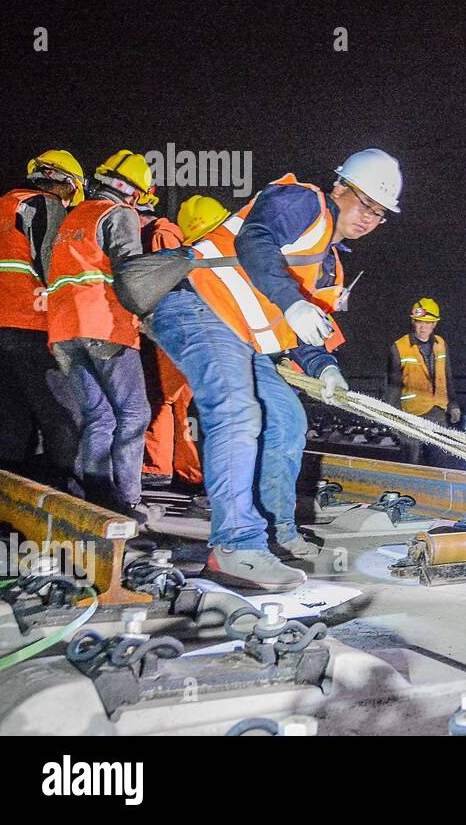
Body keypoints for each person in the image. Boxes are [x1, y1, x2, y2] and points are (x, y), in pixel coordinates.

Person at [149, 149, 402, 589]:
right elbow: (255, 240)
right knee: (236, 411)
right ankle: (237, 547)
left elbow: (303, 329)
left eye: (379, 214)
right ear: (339, 187)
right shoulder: (303, 201)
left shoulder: (331, 265)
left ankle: (277, 534)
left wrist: (324, 366)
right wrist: (293, 303)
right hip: (196, 304)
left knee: (287, 420)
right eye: (364, 204)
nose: (369, 219)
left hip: (242, 336)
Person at [47, 150, 154, 516]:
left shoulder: (72, 217)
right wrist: (148, 314)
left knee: (100, 417)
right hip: (104, 327)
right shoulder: (119, 214)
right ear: (133, 192)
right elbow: (131, 273)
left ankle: (94, 496)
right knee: (134, 413)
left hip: (63, 332)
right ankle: (127, 501)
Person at [0, 151, 84, 493]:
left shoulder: (1, 205)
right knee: (63, 417)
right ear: (69, 186)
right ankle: (70, 501)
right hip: (32, 325)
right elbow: (53, 266)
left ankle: (5, 499)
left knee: (9, 421)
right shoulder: (47, 205)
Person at [136, 197, 202, 489]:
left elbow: (166, 285)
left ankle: (168, 468)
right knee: (174, 400)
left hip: (171, 330)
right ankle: (180, 469)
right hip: (174, 329)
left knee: (169, 398)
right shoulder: (160, 234)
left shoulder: (161, 235)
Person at [387, 295, 461, 464]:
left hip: (438, 412)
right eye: (419, 322)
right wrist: (392, 418)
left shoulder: (441, 344)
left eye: (427, 323)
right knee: (412, 463)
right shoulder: (399, 347)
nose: (423, 327)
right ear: (413, 322)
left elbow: (447, 376)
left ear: (434, 324)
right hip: (411, 414)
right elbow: (392, 385)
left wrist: (453, 404)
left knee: (440, 462)